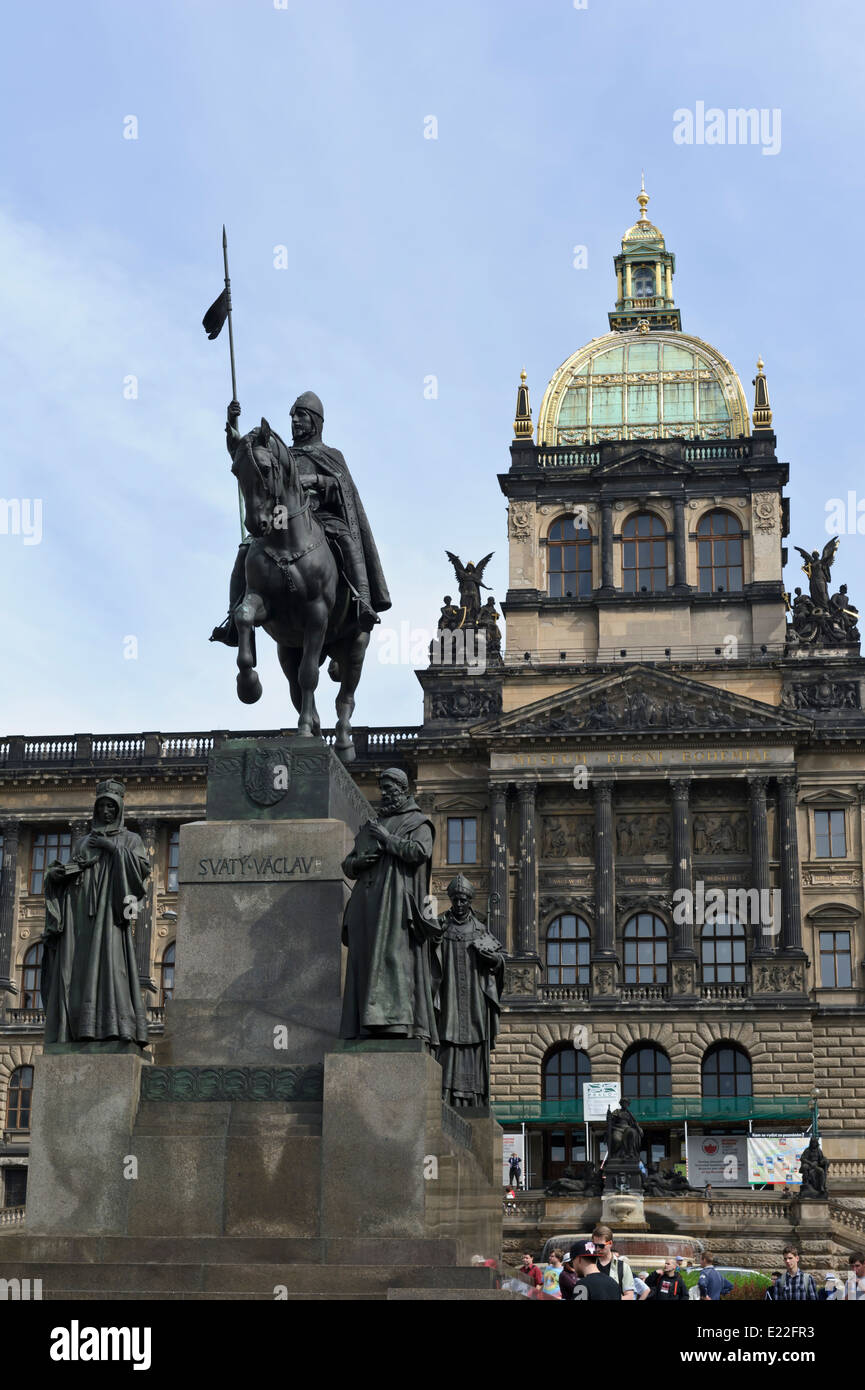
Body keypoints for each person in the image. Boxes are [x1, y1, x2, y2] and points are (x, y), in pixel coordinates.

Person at [211, 391, 391, 644]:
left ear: (315, 422)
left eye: (301, 416)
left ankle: (362, 600)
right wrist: (232, 426)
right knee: (246, 548)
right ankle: (233, 620)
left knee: (347, 541)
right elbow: (247, 460)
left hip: (323, 517)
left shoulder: (331, 455)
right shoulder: (284, 454)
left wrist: (314, 480)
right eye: (293, 416)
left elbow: (342, 487)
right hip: (283, 519)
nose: (295, 421)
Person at [41, 779, 150, 1049]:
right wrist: (56, 876)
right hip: (80, 914)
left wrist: (112, 849)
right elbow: (72, 870)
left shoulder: (131, 839)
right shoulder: (83, 842)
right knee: (76, 969)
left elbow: (140, 875)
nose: (106, 812)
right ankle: (78, 1029)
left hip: (111, 914)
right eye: (101, 806)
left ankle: (114, 1027)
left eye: (111, 807)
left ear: (119, 809)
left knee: (113, 967)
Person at [339, 769, 438, 1042]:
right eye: (382, 787)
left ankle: (396, 1025)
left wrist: (386, 839)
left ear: (404, 789)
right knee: (363, 962)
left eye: (390, 787)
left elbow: (420, 852)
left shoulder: (419, 822)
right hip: (367, 903)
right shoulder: (373, 824)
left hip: (395, 904)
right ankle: (361, 1026)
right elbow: (348, 863)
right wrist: (359, 863)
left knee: (393, 961)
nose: (385, 793)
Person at [432, 875, 504, 1108]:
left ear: (470, 901)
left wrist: (494, 960)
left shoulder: (481, 928)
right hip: (450, 994)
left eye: (463, 900)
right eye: (455, 900)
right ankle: (445, 1093)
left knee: (474, 1042)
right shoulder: (441, 925)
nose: (460, 904)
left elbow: (499, 961)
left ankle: (475, 1096)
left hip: (474, 996)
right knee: (448, 1040)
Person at [591, 1225, 635, 1300]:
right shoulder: (589, 1263)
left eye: (601, 1246)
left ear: (610, 1243)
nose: (597, 1249)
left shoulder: (623, 1267)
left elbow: (630, 1296)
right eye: (595, 1245)